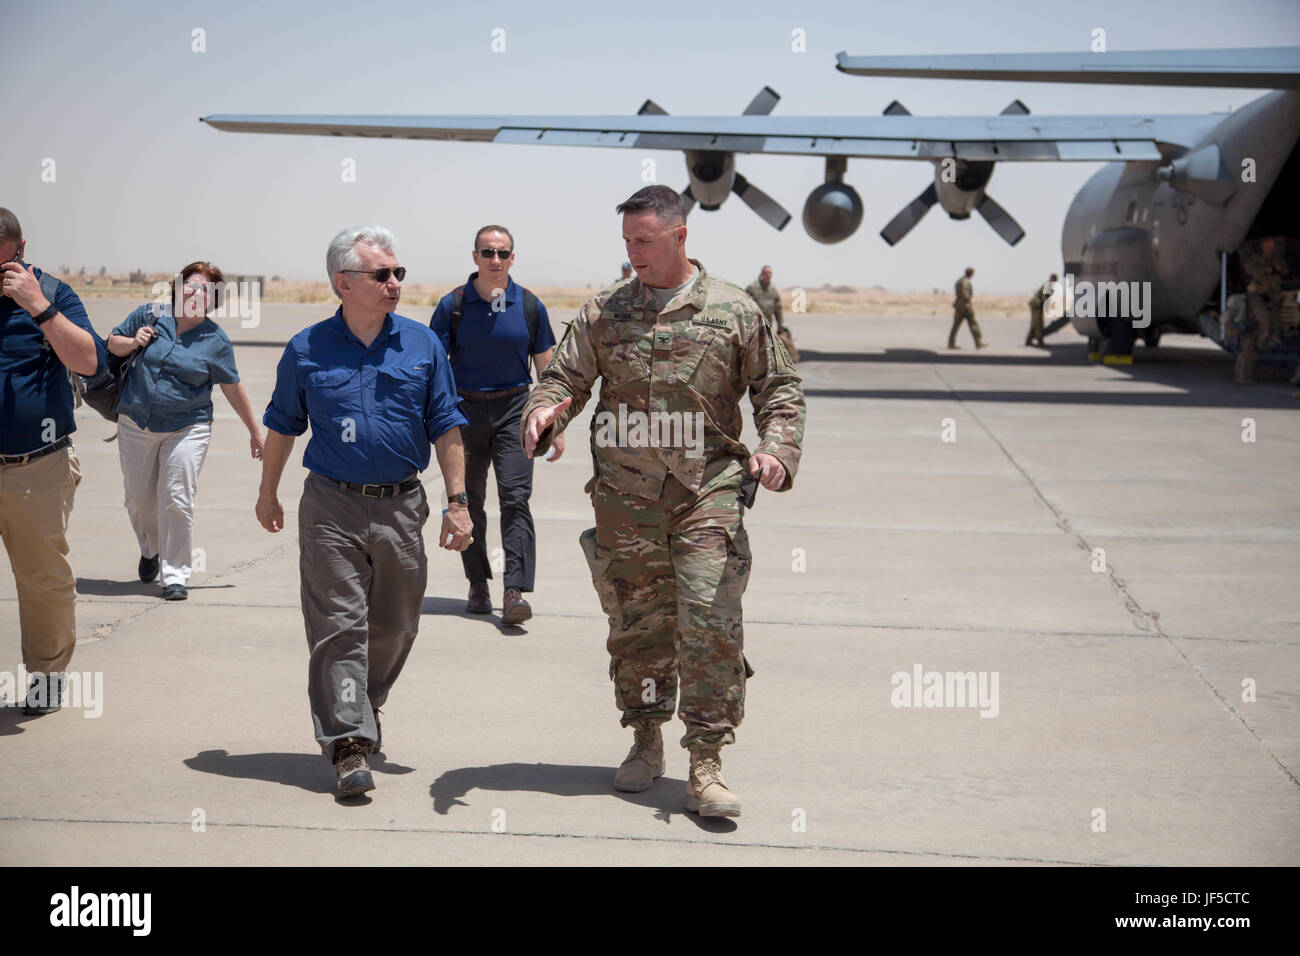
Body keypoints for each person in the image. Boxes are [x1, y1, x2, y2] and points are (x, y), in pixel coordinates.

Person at [522, 185, 805, 818]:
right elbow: (564, 379)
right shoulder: (604, 312)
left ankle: (706, 760)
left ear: (680, 236)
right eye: (626, 242)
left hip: (708, 491)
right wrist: (543, 413)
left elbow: (779, 388)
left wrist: (778, 453)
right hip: (625, 500)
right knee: (639, 627)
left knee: (709, 619)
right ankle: (645, 740)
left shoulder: (733, 311)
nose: (634, 254)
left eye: (644, 241)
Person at [257, 225, 472, 798]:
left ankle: (364, 702)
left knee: (397, 624)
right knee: (338, 628)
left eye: (399, 272)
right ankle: (349, 743)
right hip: (331, 505)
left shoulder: (423, 345)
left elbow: (447, 425)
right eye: (383, 274)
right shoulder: (306, 348)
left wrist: (458, 503)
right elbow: (282, 424)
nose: (395, 282)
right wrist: (267, 490)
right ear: (344, 283)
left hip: (403, 506)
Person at [0, 207, 105, 716]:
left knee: (43, 580)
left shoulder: (52, 294)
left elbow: (89, 360)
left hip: (35, 467)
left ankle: (46, 676)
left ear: (21, 251)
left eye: (4, 267)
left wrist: (37, 305)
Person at [107, 262, 264, 600]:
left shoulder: (216, 340)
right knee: (137, 500)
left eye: (205, 290)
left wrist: (254, 431)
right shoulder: (149, 315)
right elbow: (111, 344)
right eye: (191, 285)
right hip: (136, 422)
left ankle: (175, 574)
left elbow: (232, 386)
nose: (196, 293)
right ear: (178, 288)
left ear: (212, 299)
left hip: (188, 427)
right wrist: (133, 341)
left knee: (177, 498)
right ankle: (150, 551)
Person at [430, 225, 560, 625]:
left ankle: (514, 590)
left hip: (514, 412)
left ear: (513, 258)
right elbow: (432, 368)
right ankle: (478, 582)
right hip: (464, 414)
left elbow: (548, 371)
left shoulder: (530, 306)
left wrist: (555, 424)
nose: (496, 260)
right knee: (468, 500)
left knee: (515, 499)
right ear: (475, 257)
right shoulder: (453, 305)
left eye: (503, 253)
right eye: (488, 252)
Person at [1232, 236, 1286, 385]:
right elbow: (1250, 270)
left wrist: (1278, 268)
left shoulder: (1277, 258)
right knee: (1258, 330)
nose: (1270, 246)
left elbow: (1284, 271)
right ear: (1261, 245)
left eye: (1272, 244)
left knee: (1270, 326)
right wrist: (1266, 270)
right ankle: (1241, 375)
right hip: (1257, 297)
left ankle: (1268, 340)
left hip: (1272, 298)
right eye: (1267, 243)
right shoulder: (1255, 259)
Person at [745, 265, 799, 363]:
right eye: (766, 273)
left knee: (767, 346)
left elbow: (778, 309)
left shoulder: (773, 290)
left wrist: (780, 324)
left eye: (770, 273)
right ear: (761, 274)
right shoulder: (752, 287)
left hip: (768, 325)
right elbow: (744, 304)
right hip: (754, 325)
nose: (768, 275)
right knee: (753, 347)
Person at [949, 267, 986, 349]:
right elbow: (965, 295)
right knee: (973, 325)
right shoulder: (965, 282)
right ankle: (978, 342)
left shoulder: (960, 281)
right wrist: (968, 303)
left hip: (959, 306)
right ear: (971, 274)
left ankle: (951, 343)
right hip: (965, 307)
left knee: (956, 326)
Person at [1025, 273, 1056, 347]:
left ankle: (1029, 341)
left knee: (1035, 324)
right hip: (1036, 306)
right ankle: (1039, 342)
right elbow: (1045, 298)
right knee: (1038, 324)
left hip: (1037, 305)